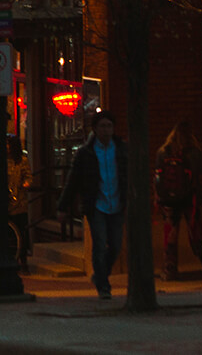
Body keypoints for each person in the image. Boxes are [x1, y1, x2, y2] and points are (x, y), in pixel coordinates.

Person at [58, 110, 129, 300]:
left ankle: (100, 274)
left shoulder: (121, 150)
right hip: (97, 205)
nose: (106, 130)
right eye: (102, 126)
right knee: (99, 244)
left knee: (115, 245)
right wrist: (63, 206)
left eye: (109, 126)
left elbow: (130, 175)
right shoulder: (85, 153)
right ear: (95, 129)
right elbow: (73, 181)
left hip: (117, 204)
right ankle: (104, 287)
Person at [153, 120, 202, 280]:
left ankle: (170, 268)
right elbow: (201, 175)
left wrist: (158, 196)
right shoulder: (194, 152)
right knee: (195, 231)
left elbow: (157, 176)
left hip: (168, 199)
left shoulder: (163, 151)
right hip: (190, 198)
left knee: (171, 232)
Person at [6, 135, 34, 273]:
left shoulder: (22, 161)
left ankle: (23, 261)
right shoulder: (3, 161)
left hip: (19, 201)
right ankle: (12, 259)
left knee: (21, 232)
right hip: (6, 202)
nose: (6, 147)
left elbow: (28, 176)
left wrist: (26, 184)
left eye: (8, 144)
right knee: (10, 233)